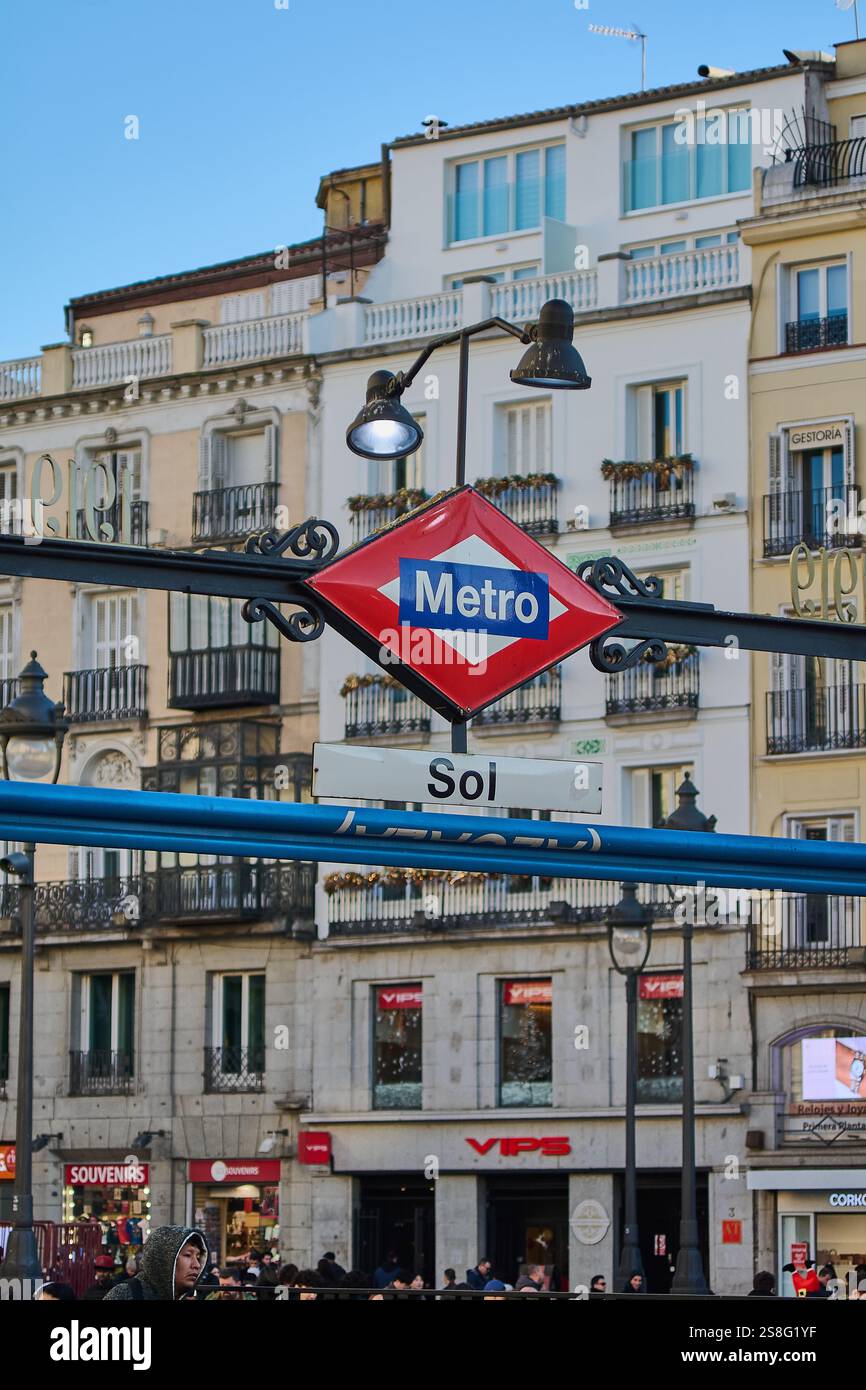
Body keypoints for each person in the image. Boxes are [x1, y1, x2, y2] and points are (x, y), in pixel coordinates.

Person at [104, 1225, 207, 1301]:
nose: (196, 1265)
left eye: (198, 1257)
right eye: (188, 1255)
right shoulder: (125, 1294)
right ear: (165, 1260)